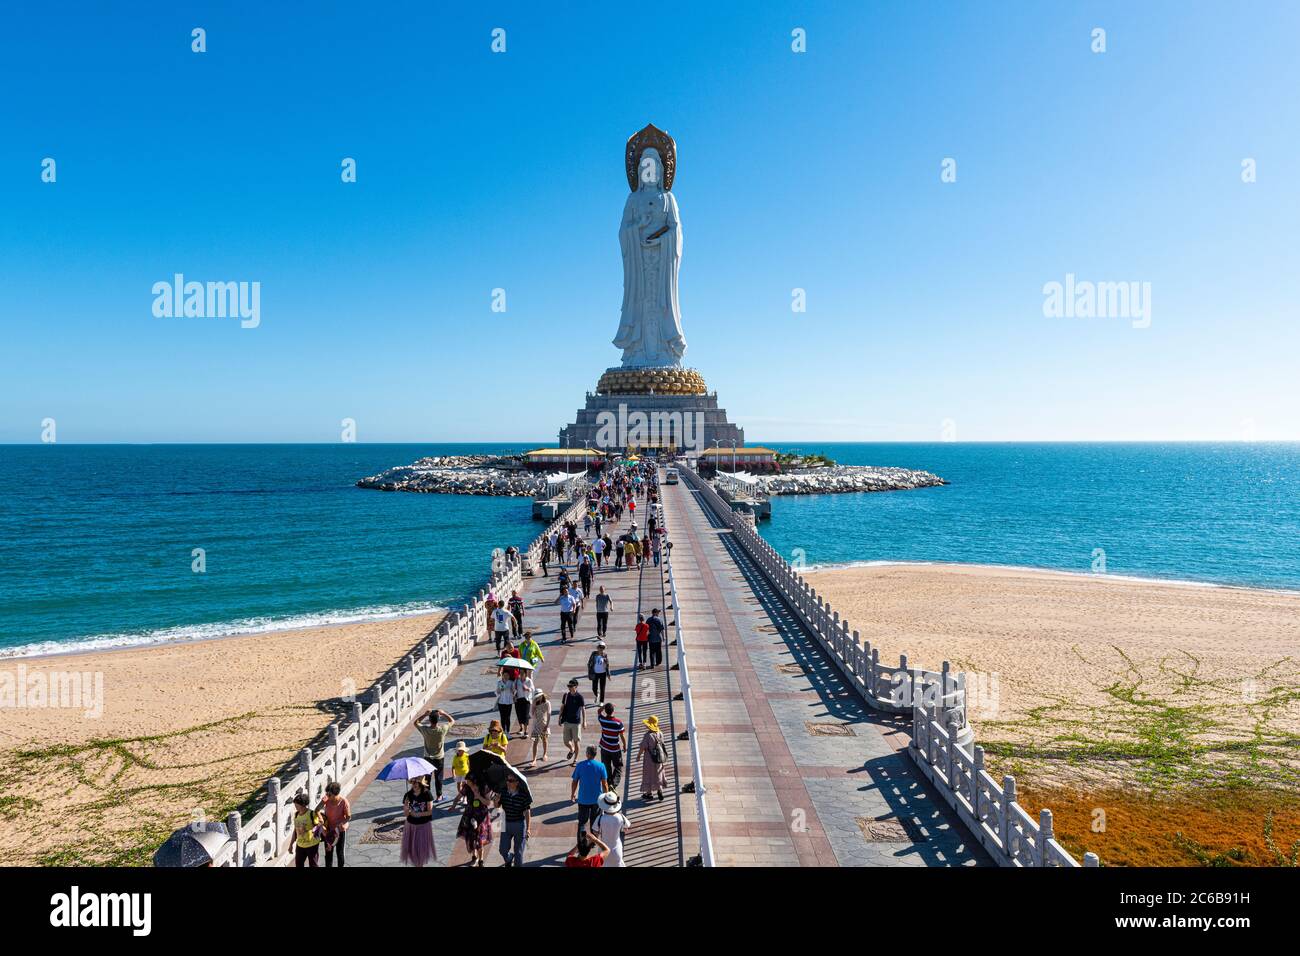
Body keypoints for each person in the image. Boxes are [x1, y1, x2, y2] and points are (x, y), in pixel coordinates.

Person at [415, 708, 455, 801]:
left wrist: (425, 714)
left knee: (427, 778)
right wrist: (444, 713)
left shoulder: (425, 730)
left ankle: (427, 796)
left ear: (429, 720)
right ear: (438, 720)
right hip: (439, 757)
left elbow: (416, 723)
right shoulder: (442, 729)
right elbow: (452, 721)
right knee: (439, 777)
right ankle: (439, 796)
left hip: (427, 757)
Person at [570, 745, 609, 838]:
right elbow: (604, 784)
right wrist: (606, 796)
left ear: (587, 754)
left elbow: (574, 781)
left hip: (583, 798)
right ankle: (593, 841)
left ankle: (581, 841)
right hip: (596, 799)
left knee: (582, 822)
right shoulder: (601, 766)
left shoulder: (580, 765)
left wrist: (573, 794)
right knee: (595, 822)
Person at [496, 774, 533, 867]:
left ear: (517, 782)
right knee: (503, 850)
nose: (508, 782)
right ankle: (509, 858)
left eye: (511, 780)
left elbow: (527, 812)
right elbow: (497, 806)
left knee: (519, 853)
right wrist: (496, 800)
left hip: (519, 825)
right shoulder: (503, 792)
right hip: (506, 824)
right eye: (507, 780)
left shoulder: (523, 795)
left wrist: (528, 829)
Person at [399, 775, 436, 867]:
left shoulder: (427, 793)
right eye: (413, 782)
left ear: (421, 782)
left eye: (417, 782)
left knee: (421, 849)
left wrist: (418, 814)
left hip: (423, 826)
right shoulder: (408, 795)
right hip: (411, 825)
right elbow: (406, 814)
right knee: (412, 850)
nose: (415, 784)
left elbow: (430, 812)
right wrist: (406, 806)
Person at [456, 777, 492, 866]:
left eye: (468, 780)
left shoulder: (484, 787)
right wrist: (453, 804)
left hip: (481, 817)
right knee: (471, 838)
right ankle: (474, 856)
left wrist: (478, 796)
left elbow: (488, 803)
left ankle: (481, 860)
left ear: (473, 781)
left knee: (479, 839)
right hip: (469, 816)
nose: (466, 781)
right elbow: (459, 796)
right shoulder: (466, 787)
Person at [593, 790, 630, 867]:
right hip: (616, 849)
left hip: (603, 849)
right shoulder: (621, 817)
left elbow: (595, 832)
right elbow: (626, 827)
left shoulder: (600, 818)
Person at [319, 780, 351, 867]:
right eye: (327, 794)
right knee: (328, 853)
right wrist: (321, 820)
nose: (327, 796)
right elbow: (316, 810)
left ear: (335, 794)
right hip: (328, 830)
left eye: (329, 794)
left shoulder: (343, 802)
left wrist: (342, 824)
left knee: (339, 853)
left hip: (339, 831)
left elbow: (348, 817)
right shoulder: (326, 800)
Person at [637, 714, 668, 802]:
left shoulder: (647, 735)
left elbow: (643, 747)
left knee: (648, 774)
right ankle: (660, 790)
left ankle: (649, 793)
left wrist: (638, 756)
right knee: (658, 773)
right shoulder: (660, 733)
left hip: (649, 759)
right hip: (659, 758)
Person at [597, 702, 627, 789]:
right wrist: (624, 745)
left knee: (607, 766)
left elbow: (598, 711)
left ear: (605, 711)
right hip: (615, 749)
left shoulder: (602, 720)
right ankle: (613, 784)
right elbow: (622, 736)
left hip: (604, 748)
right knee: (618, 766)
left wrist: (604, 706)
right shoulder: (618, 723)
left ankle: (609, 782)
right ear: (613, 711)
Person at [559, 678, 587, 764]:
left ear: (576, 686)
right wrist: (559, 717)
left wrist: (584, 721)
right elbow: (562, 706)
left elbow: (583, 709)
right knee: (566, 741)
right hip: (567, 721)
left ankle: (575, 759)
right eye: (568, 686)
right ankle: (572, 749)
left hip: (576, 722)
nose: (569, 688)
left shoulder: (579, 697)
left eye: (571, 686)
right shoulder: (566, 695)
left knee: (576, 741)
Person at [292, 790, 322, 867]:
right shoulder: (296, 815)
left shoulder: (311, 814)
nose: (295, 806)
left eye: (296, 805)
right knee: (298, 865)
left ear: (303, 805)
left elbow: (319, 825)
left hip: (312, 845)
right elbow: (295, 830)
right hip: (300, 845)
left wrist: (310, 830)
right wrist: (291, 844)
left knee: (313, 865)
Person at [528, 691, 551, 766]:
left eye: (539, 696)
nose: (538, 698)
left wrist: (547, 725)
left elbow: (549, 714)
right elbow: (531, 715)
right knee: (535, 742)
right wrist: (533, 705)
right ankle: (534, 760)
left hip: (544, 724)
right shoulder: (534, 703)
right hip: (536, 725)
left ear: (542, 695)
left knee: (544, 740)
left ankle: (545, 754)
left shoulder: (547, 703)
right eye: (536, 697)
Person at [513, 669, 534, 738]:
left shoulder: (528, 680)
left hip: (526, 700)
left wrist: (527, 689)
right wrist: (514, 688)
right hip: (518, 699)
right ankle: (521, 728)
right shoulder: (517, 680)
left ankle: (526, 731)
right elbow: (513, 689)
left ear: (525, 673)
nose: (521, 674)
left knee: (525, 715)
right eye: (520, 673)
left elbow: (532, 689)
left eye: (523, 673)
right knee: (519, 714)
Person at [451, 741, 470, 808]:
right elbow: (453, 767)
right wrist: (453, 775)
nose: (461, 751)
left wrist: (470, 772)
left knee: (464, 786)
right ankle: (460, 795)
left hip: (465, 773)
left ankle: (465, 798)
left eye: (462, 750)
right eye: (459, 750)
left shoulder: (467, 756)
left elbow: (469, 764)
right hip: (458, 773)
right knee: (458, 784)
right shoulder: (455, 758)